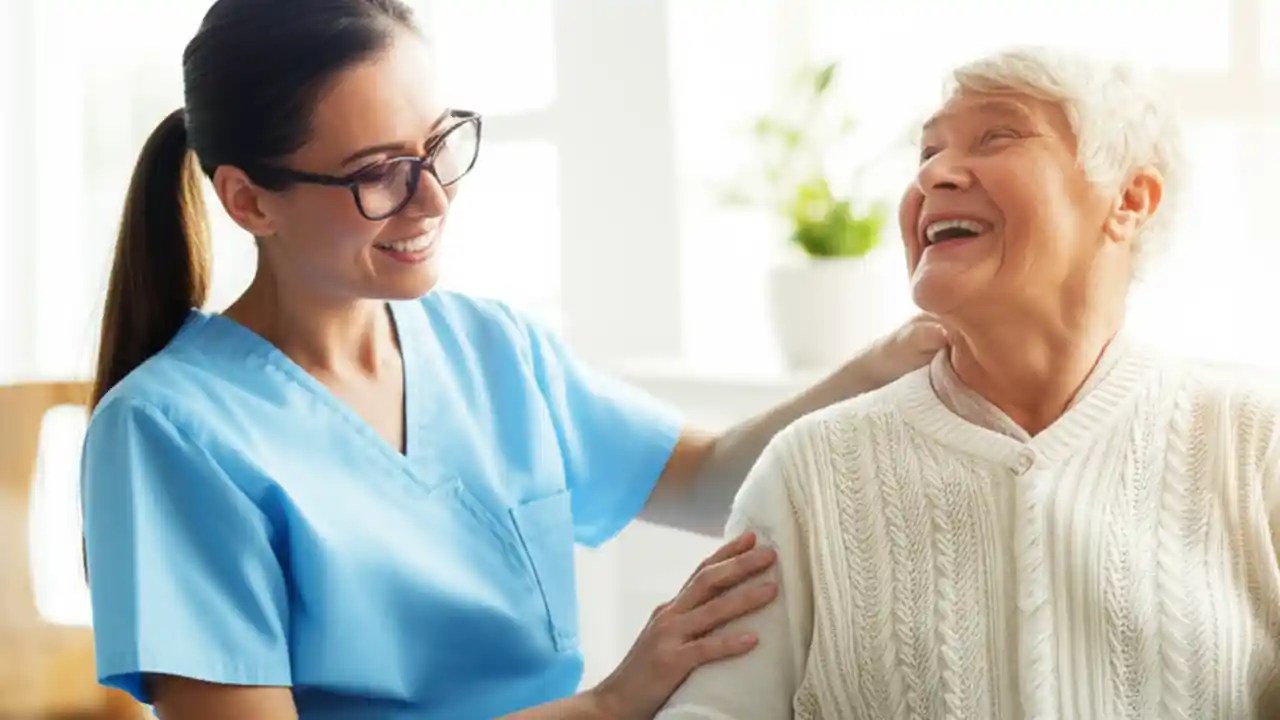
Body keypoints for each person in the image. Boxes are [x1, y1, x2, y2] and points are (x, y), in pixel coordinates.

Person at [78, 2, 946, 718]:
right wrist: (608, 706)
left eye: (438, 145)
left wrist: (888, 363)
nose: (432, 197)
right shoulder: (168, 432)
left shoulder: (491, 347)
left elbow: (707, 479)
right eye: (378, 173)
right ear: (248, 200)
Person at [658, 46, 1280, 719]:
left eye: (998, 136)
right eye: (927, 152)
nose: (936, 175)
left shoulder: (1254, 444)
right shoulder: (807, 470)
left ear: (1129, 199)